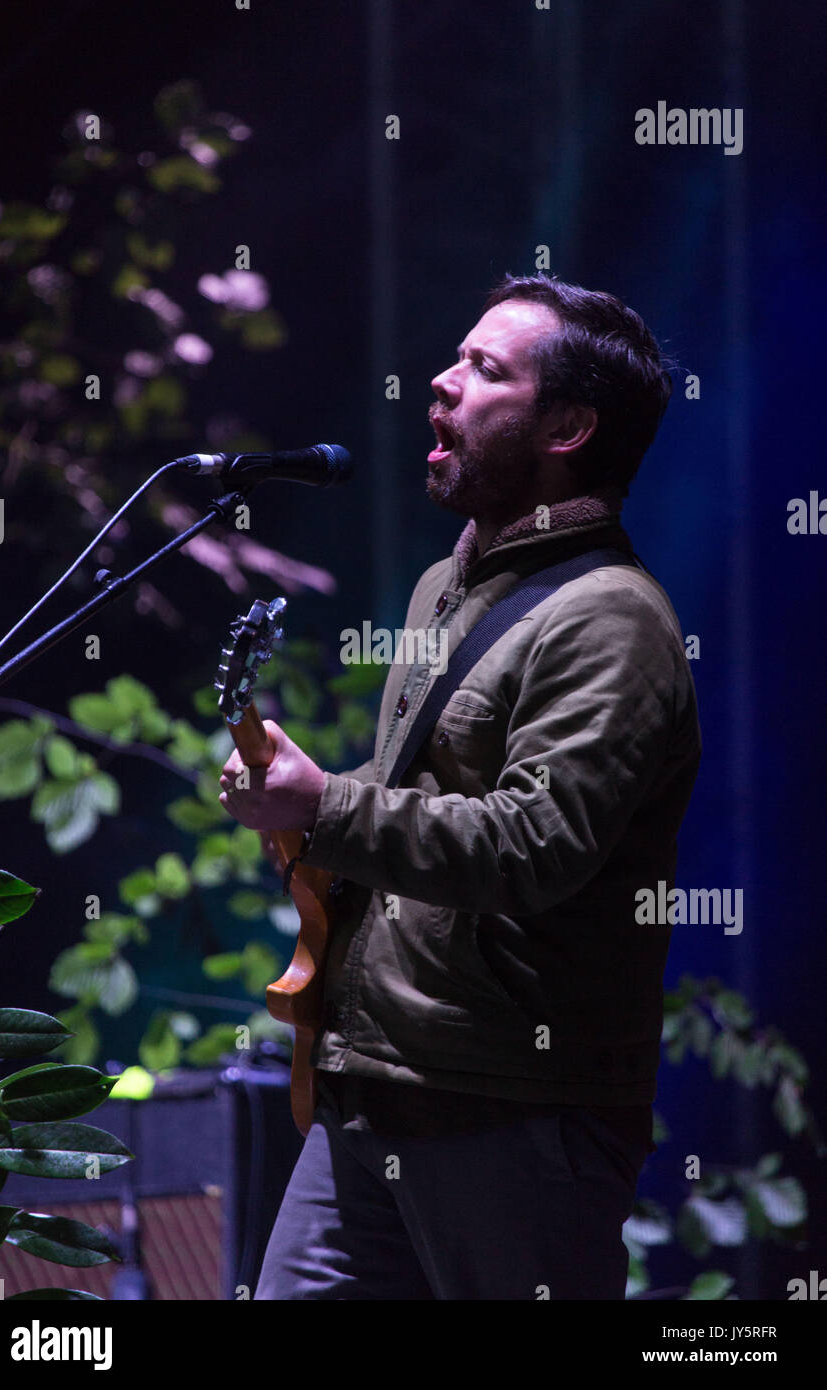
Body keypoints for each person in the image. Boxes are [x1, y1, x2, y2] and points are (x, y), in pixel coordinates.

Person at [218, 272, 702, 1300]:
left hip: (508, 1106)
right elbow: (433, 794)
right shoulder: (450, 583)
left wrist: (324, 805)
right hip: (372, 1081)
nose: (437, 381)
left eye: (484, 369)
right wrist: (305, 794)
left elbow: (531, 847)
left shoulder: (610, 618)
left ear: (567, 425)